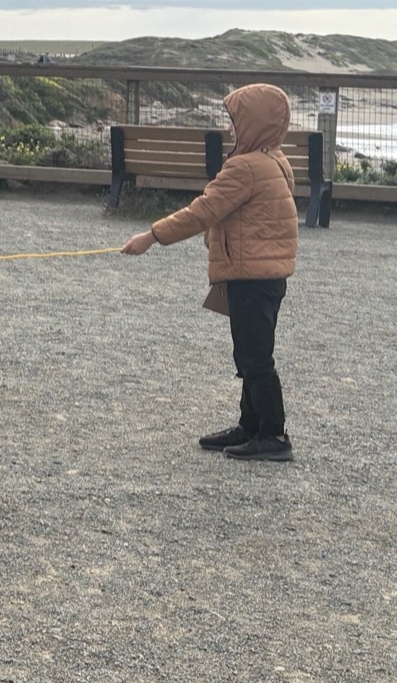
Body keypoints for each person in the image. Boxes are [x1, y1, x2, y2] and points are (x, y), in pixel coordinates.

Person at [120, 83, 298, 461]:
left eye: (235, 120)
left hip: (251, 277)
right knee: (250, 353)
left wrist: (151, 236)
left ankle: (274, 435)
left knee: (255, 357)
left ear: (255, 123)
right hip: (266, 277)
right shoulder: (275, 160)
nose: (230, 128)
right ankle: (251, 426)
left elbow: (202, 211)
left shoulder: (245, 167)